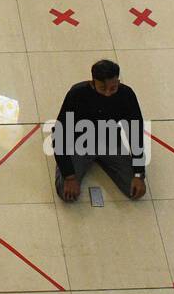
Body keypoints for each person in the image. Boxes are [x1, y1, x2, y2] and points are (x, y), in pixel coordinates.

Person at [52, 59, 148, 201]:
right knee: (67, 194)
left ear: (118, 82)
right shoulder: (77, 94)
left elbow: (136, 132)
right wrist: (69, 176)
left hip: (108, 142)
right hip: (79, 143)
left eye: (113, 88)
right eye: (103, 88)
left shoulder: (126, 95)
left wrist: (139, 174)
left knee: (134, 190)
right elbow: (59, 133)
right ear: (93, 83)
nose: (108, 93)